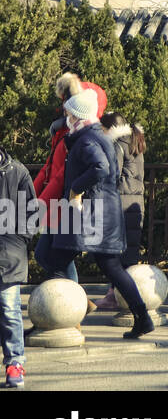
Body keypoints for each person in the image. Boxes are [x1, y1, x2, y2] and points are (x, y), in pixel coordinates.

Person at [39, 88, 154, 338]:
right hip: (99, 212)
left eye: (69, 114)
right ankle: (141, 317)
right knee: (108, 266)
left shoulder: (88, 139)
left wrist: (75, 190)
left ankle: (61, 318)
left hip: (92, 213)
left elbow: (100, 168)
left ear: (79, 117)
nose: (66, 119)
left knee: (55, 260)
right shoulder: (94, 136)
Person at [34, 73, 107, 284]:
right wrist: (35, 191)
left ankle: (73, 303)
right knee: (57, 259)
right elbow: (50, 168)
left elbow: (62, 174)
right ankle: (76, 301)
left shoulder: (77, 136)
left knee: (55, 258)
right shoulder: (65, 132)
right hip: (58, 200)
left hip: (65, 201)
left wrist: (40, 200)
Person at [91, 115, 145, 311]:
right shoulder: (134, 140)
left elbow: (113, 174)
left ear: (109, 128)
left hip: (120, 202)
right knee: (129, 250)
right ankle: (126, 296)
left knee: (116, 252)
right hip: (135, 201)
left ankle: (115, 295)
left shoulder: (117, 144)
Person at [1, 145, 36, 388]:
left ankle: (15, 362)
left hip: (8, 252)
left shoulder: (17, 172)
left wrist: (19, 239)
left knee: (9, 310)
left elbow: (31, 213)